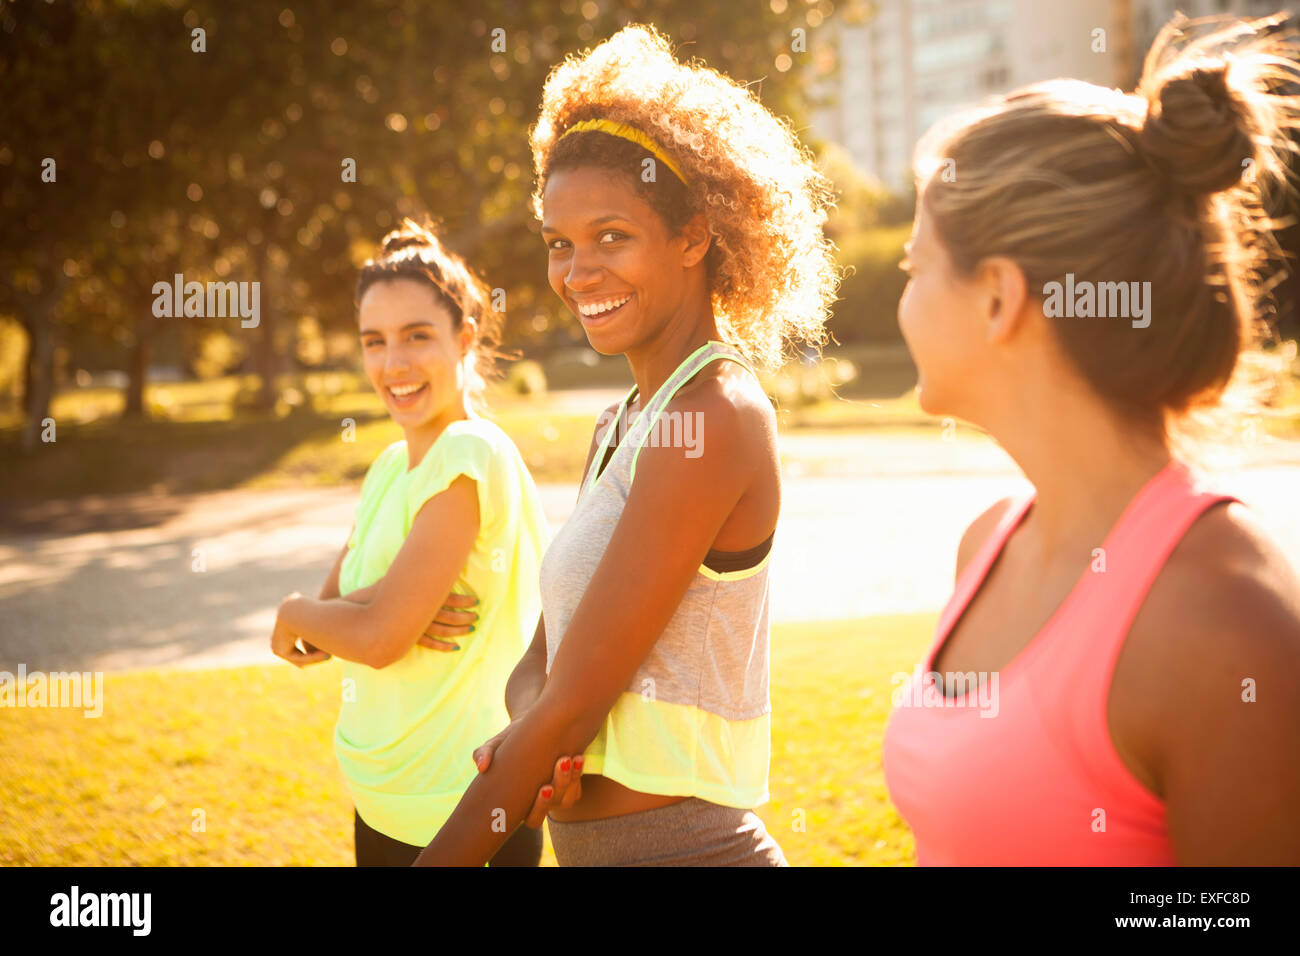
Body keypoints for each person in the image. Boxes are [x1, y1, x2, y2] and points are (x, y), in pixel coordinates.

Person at [413, 23, 840, 866]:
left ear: (694, 236)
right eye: (559, 245)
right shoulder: (620, 429)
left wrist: (552, 730)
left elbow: (569, 702)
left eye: (613, 236)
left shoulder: (714, 415)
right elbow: (541, 666)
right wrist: (545, 743)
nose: (578, 272)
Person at [882, 13, 1300, 864]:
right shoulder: (987, 545)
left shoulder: (1228, 617)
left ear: (998, 298)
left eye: (913, 268)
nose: (904, 302)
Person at [269, 219, 551, 866]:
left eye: (417, 337)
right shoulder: (389, 469)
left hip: (464, 810)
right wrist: (385, 604)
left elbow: (366, 638)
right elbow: (325, 632)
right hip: (379, 803)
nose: (393, 364)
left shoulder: (470, 453)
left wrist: (302, 615)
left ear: (466, 339)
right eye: (375, 341)